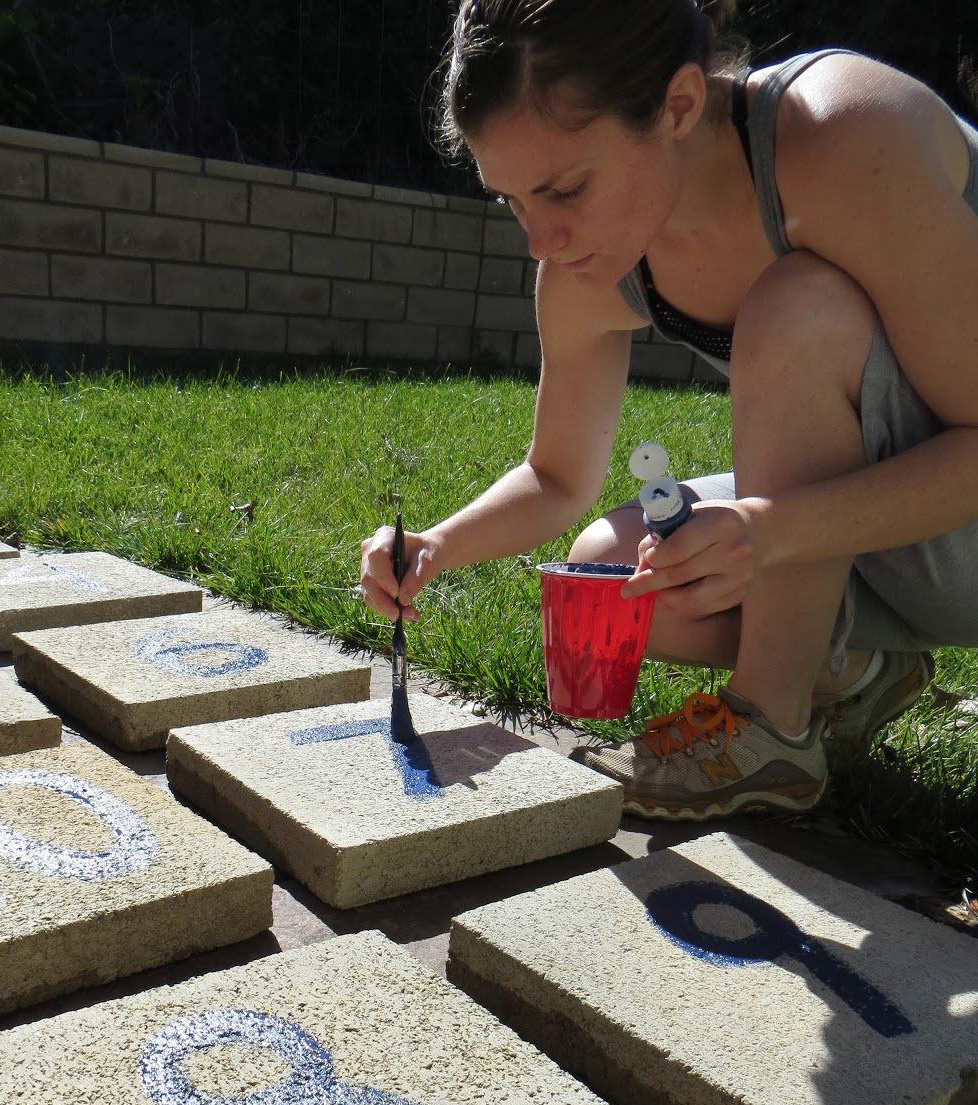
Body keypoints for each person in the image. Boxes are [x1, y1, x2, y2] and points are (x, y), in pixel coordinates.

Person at [357, 0, 978, 820]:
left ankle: (770, 728)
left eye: (565, 188)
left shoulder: (840, 133)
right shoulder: (582, 268)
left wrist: (769, 531)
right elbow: (556, 474)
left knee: (796, 308)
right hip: (882, 537)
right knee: (609, 572)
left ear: (680, 106)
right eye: (511, 200)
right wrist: (437, 544)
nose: (540, 239)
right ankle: (853, 671)